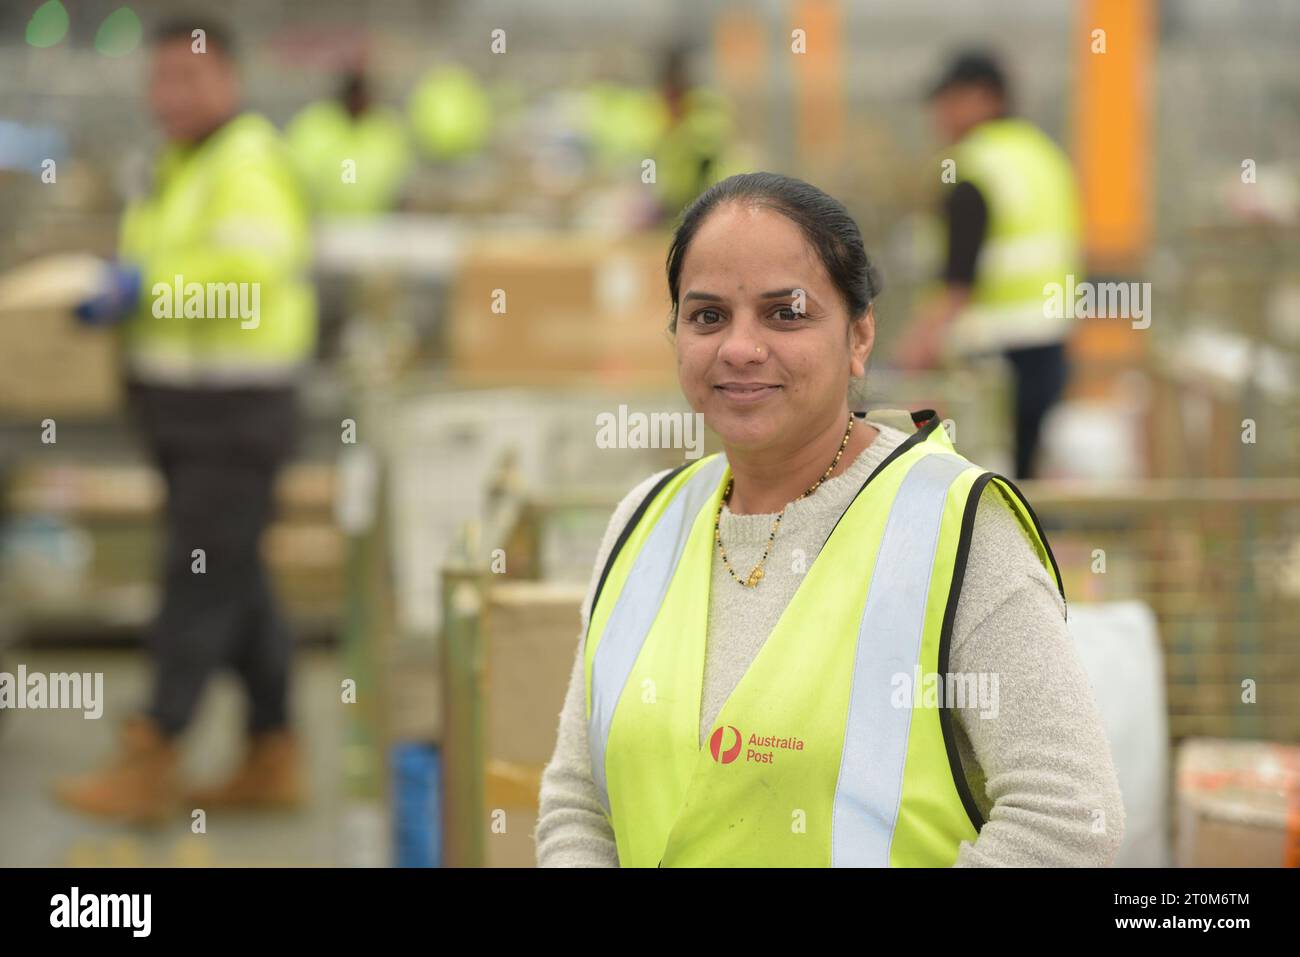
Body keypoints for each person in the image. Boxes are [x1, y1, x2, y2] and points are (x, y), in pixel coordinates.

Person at [535, 172, 1123, 866]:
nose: (740, 347)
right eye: (707, 316)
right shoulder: (644, 524)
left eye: (786, 313)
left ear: (859, 336)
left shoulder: (955, 529)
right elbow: (577, 801)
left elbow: (1069, 818)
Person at [54, 18, 316, 823]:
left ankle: (153, 750)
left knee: (194, 579)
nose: (171, 95)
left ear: (229, 80)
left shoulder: (247, 160)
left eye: (189, 78)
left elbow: (249, 269)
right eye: (160, 78)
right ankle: (273, 752)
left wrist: (143, 290)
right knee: (235, 578)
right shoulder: (173, 164)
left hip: (236, 408)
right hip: (184, 410)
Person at [897, 51, 1083, 479]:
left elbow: (958, 279)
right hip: (1049, 340)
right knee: (1026, 473)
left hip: (992, 353)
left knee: (980, 482)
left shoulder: (974, 166)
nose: (939, 114)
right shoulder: (1043, 156)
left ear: (985, 97)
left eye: (950, 100)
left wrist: (916, 350)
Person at [285, 68, 412, 218]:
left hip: (377, 226)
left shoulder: (387, 129)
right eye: (353, 95)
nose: (357, 101)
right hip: (323, 222)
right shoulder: (315, 125)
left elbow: (401, 182)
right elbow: (296, 175)